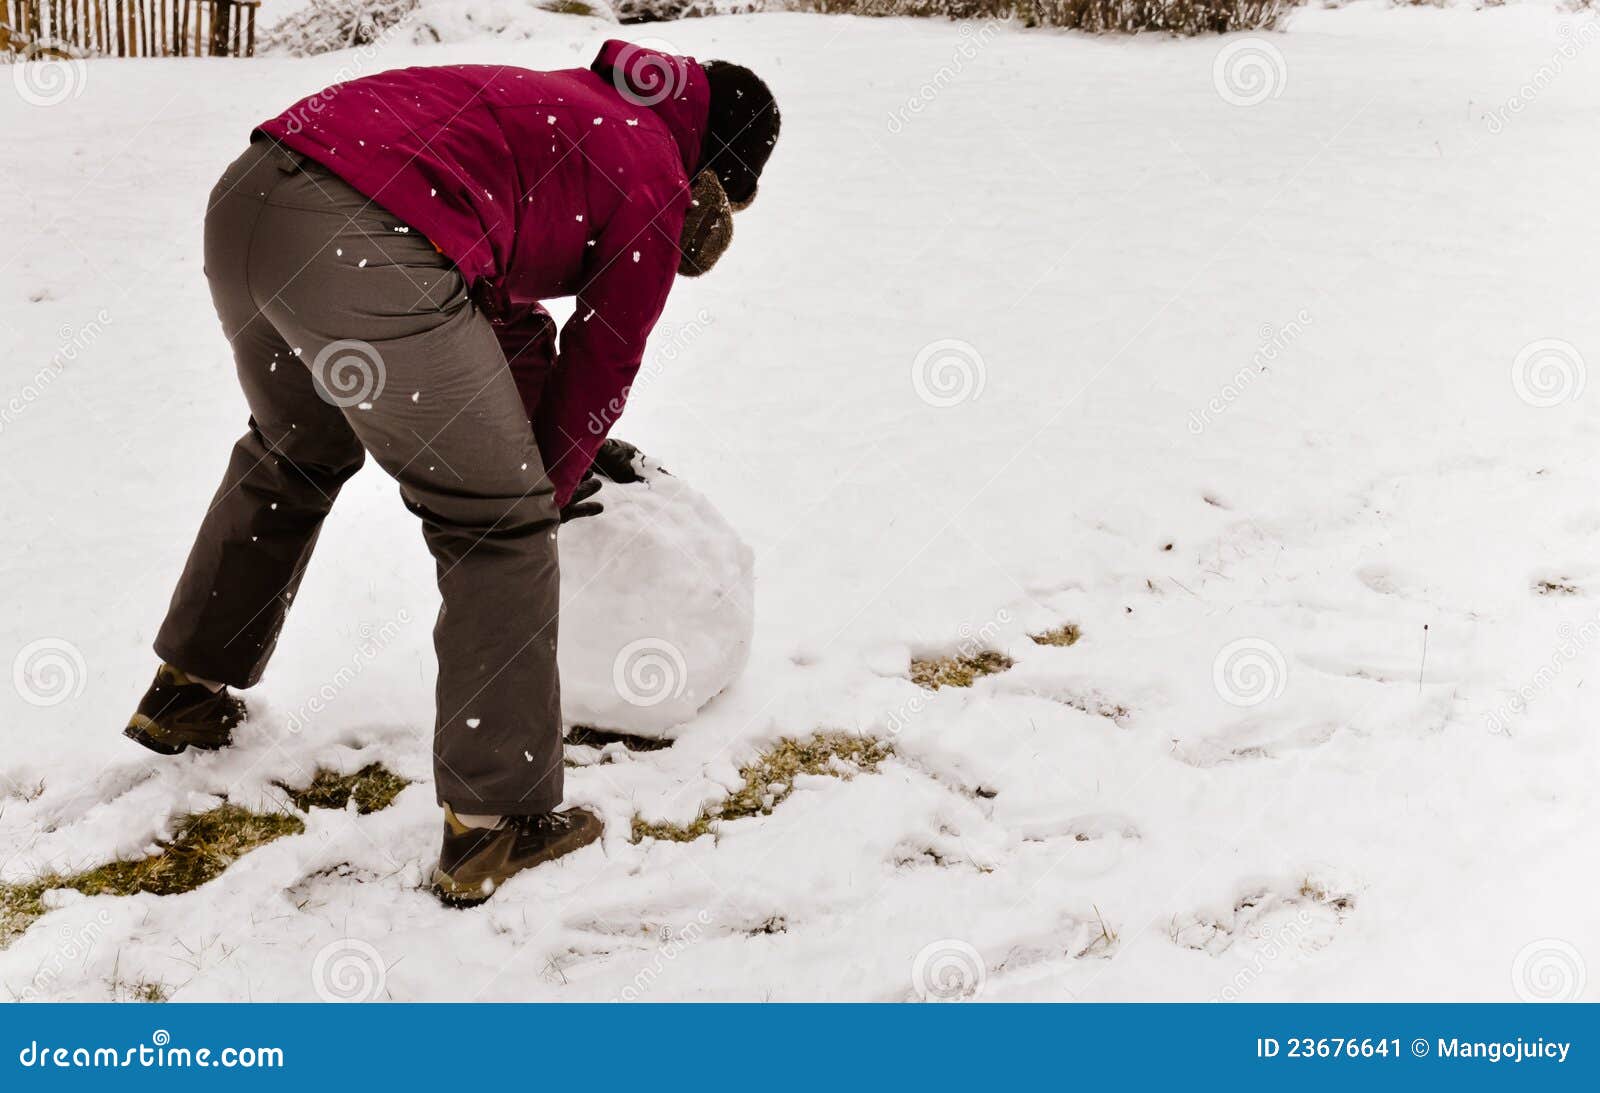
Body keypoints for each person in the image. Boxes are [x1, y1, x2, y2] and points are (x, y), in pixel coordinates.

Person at [120, 41, 780, 906]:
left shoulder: (572, 107)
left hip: (254, 198)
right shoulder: (654, 171)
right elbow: (605, 354)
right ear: (717, 171)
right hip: (365, 240)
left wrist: (528, 437)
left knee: (297, 447)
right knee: (498, 526)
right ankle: (499, 819)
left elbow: (488, 305)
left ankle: (187, 692)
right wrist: (542, 484)